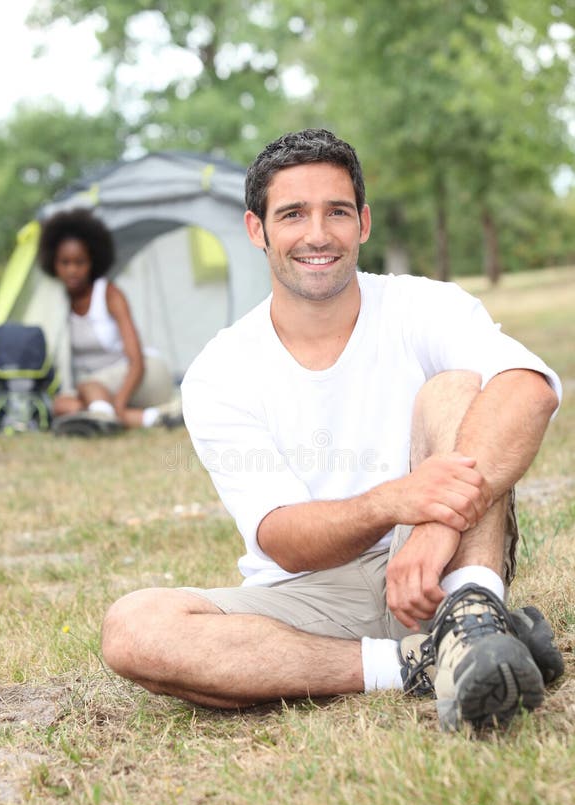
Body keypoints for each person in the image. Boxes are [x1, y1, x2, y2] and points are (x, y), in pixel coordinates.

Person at [101, 129, 564, 731]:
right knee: (134, 627)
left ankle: (471, 613)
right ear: (256, 230)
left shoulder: (422, 306)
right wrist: (394, 499)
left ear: (363, 223)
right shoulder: (220, 370)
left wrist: (427, 528)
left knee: (453, 390)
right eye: (292, 214)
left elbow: (528, 387)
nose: (317, 234)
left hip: (441, 561)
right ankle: (421, 663)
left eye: (337, 212)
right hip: (310, 597)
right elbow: (282, 538)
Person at [38, 208, 179, 432]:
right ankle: (153, 418)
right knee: (62, 405)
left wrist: (120, 402)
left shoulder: (110, 295)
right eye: (65, 263)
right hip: (101, 388)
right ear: (53, 264)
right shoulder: (58, 303)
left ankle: (103, 417)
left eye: (79, 262)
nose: (72, 270)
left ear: (92, 262)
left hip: (145, 377)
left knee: (89, 386)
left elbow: (137, 361)